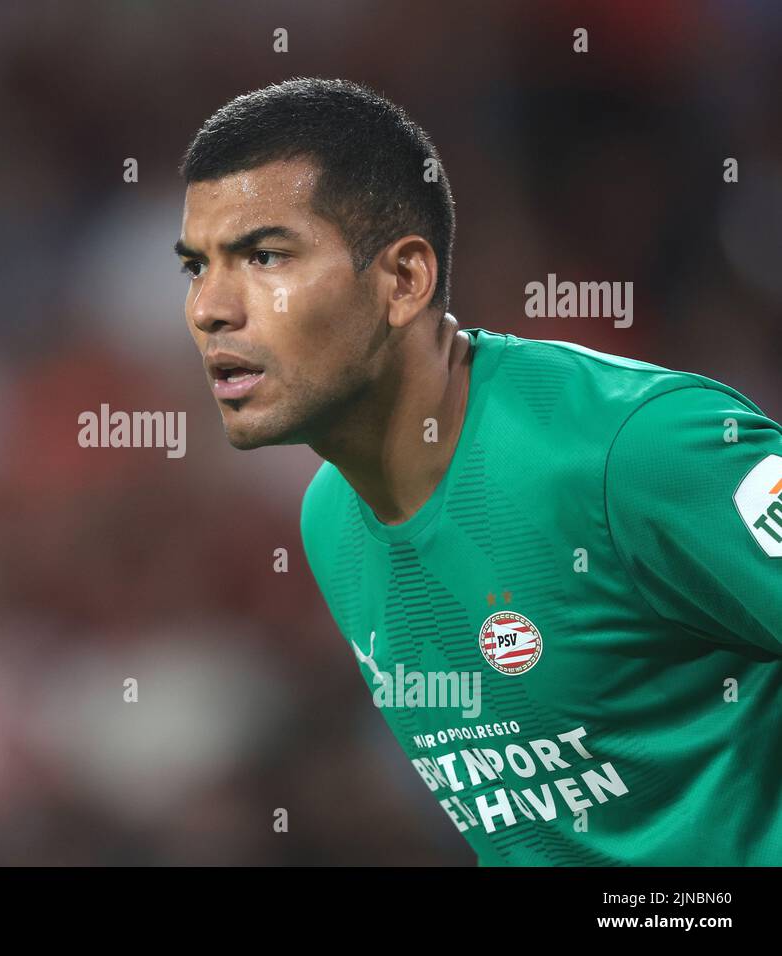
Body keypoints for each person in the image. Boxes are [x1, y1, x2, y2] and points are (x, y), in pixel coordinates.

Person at [175, 76, 782, 865]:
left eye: (264, 255)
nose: (209, 308)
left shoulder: (634, 449)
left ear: (404, 281)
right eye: (196, 266)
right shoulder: (331, 520)